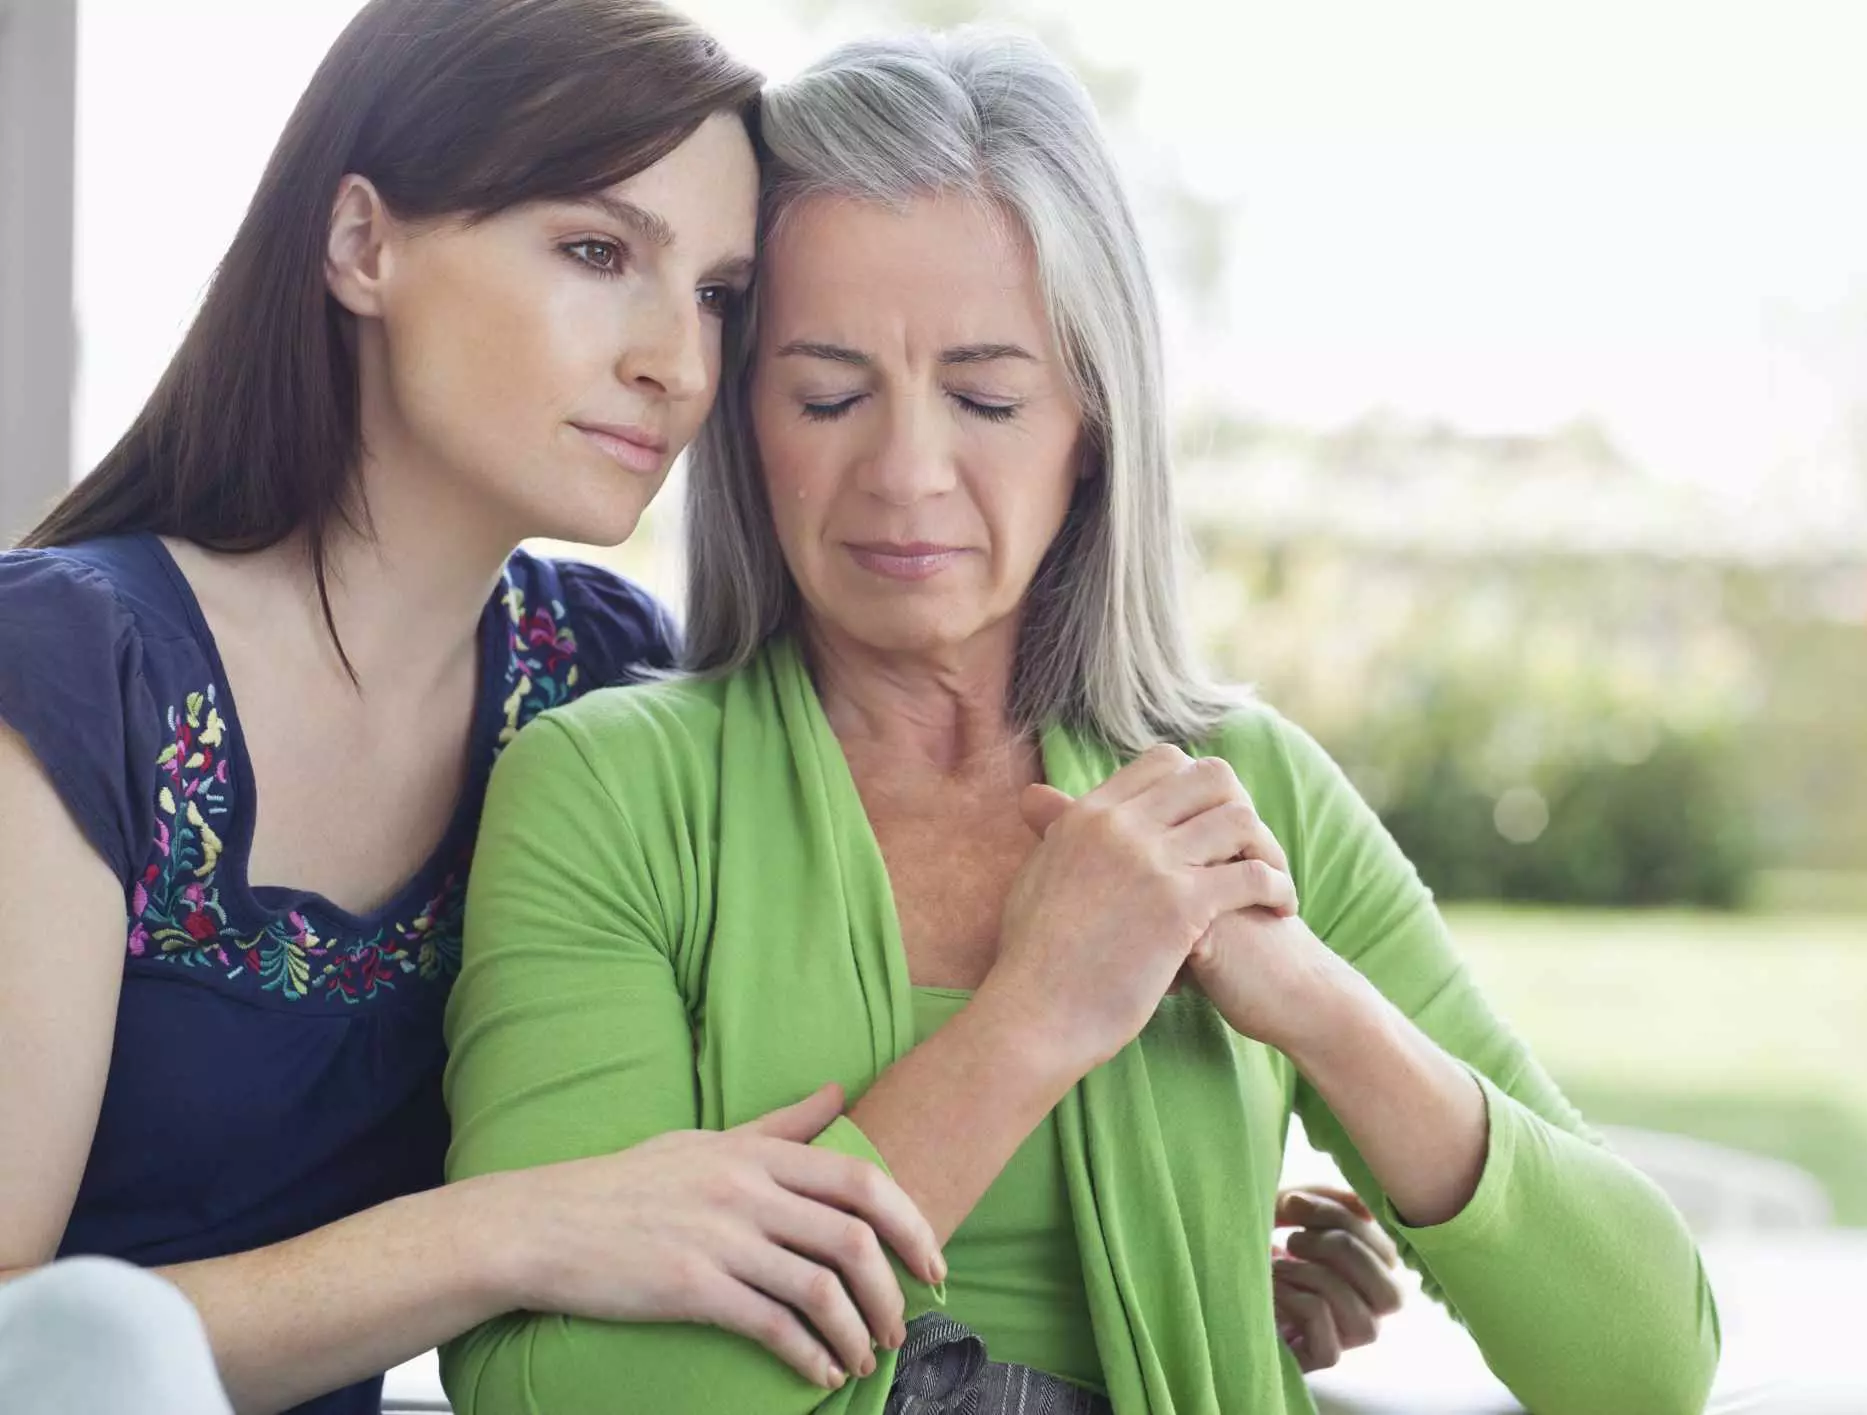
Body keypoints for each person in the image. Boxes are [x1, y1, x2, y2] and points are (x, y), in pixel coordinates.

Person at [0, 3, 1395, 1410]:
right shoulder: (73, 670)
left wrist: (1179, 1254)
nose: (676, 362)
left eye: (721, 295)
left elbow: (718, 1199)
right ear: (363, 243)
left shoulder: (590, 678)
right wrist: (506, 1230)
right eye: (598, 253)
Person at [440, 26, 1723, 1415]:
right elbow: (549, 1394)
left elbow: (1645, 1366)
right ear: (745, 415)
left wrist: (1313, 1009)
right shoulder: (608, 792)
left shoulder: (1247, 788)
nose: (906, 473)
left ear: (1091, 423)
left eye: (987, 397)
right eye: (828, 393)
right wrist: (1037, 1014)